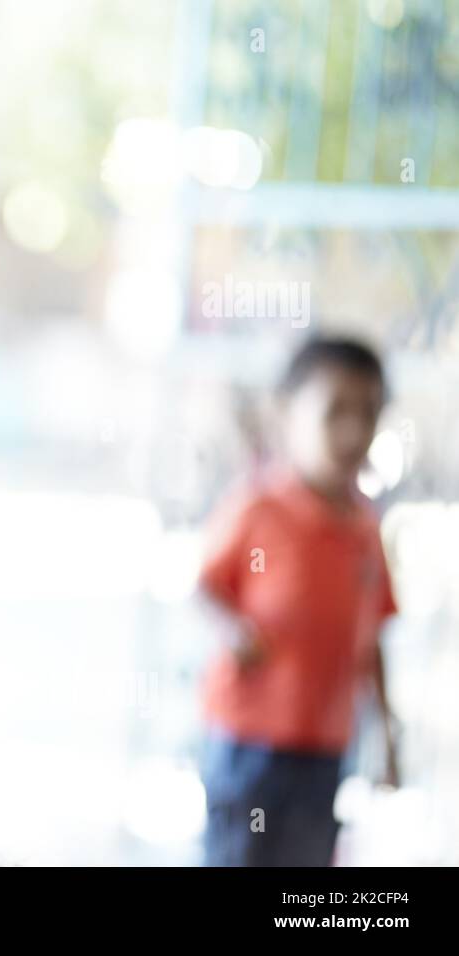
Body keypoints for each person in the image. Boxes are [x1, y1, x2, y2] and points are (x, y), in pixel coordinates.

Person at [195, 335, 399, 866]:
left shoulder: (365, 530)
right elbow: (205, 587)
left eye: (369, 413)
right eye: (336, 412)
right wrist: (232, 631)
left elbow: (371, 636)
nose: (354, 431)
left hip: (328, 749)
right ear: (289, 414)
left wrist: (387, 734)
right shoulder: (258, 506)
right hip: (250, 744)